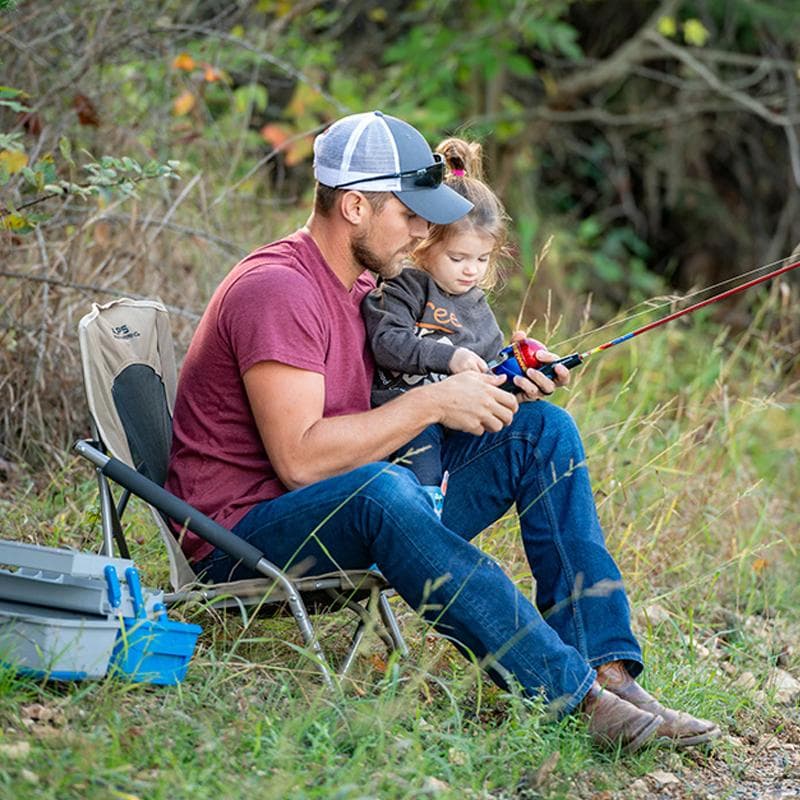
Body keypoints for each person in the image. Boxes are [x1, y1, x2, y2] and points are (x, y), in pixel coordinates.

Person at [165, 110, 720, 752]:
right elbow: (301, 462)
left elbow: (411, 377)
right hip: (240, 536)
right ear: (353, 207)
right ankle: (576, 700)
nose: (425, 231)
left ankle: (609, 673)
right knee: (384, 492)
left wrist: (499, 380)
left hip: (352, 505)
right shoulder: (279, 291)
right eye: (410, 215)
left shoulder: (366, 286)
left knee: (542, 430)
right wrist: (435, 405)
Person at [362, 137, 506, 512]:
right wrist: (449, 356)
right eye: (458, 258)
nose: (471, 270)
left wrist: (523, 373)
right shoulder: (408, 285)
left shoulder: (477, 308)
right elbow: (386, 342)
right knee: (422, 457)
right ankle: (416, 526)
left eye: (482, 259)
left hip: (454, 422)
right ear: (426, 245)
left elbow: (490, 367)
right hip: (402, 417)